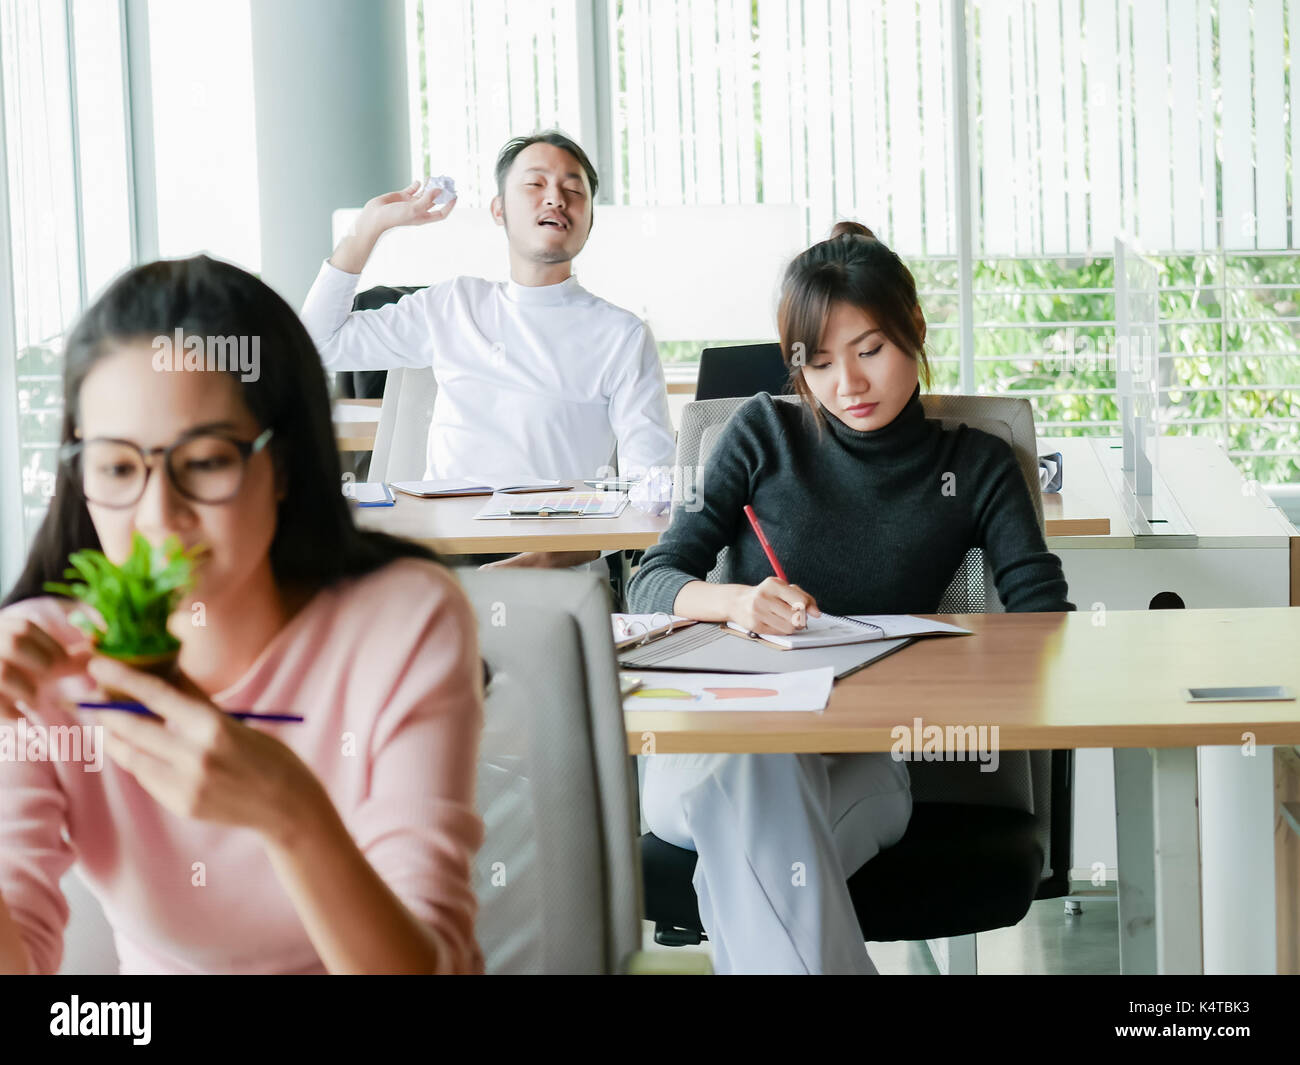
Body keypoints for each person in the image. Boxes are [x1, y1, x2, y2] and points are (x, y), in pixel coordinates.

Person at [0, 256, 484, 974]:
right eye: (117, 467)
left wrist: (290, 814)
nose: (160, 515)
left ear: (281, 464)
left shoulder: (403, 621)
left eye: (204, 461)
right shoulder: (40, 661)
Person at [627, 222, 1075, 974]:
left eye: (870, 351)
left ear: (914, 331)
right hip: (709, 753)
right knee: (754, 771)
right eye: (822, 363)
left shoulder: (975, 463)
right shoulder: (762, 432)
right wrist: (734, 602)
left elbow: (1043, 624)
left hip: (864, 762)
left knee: (747, 867)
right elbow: (653, 576)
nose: (849, 386)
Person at [300, 130, 677, 571]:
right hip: (440, 558)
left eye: (574, 190)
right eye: (535, 185)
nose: (555, 198)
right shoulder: (454, 305)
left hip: (554, 569)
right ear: (499, 210)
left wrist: (537, 563)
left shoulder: (622, 335)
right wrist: (369, 226)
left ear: (589, 221)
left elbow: (653, 493)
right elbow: (320, 343)